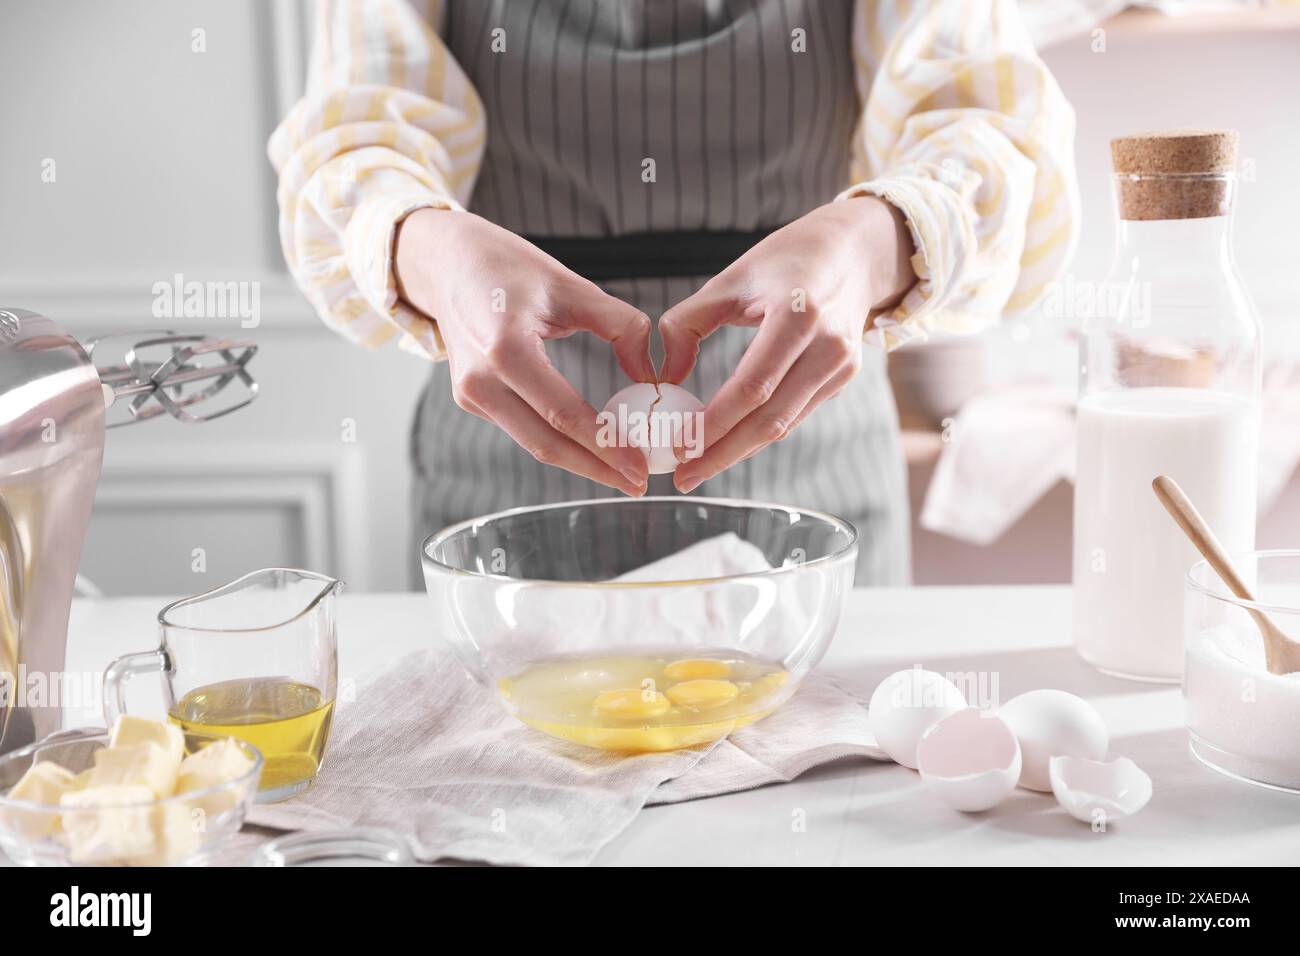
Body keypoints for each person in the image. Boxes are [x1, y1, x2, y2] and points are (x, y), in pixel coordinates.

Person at [270, 0, 1078, 584]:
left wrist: (871, 243)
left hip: (814, 489)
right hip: (502, 497)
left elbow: (989, 124)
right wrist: (429, 248)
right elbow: (354, 139)